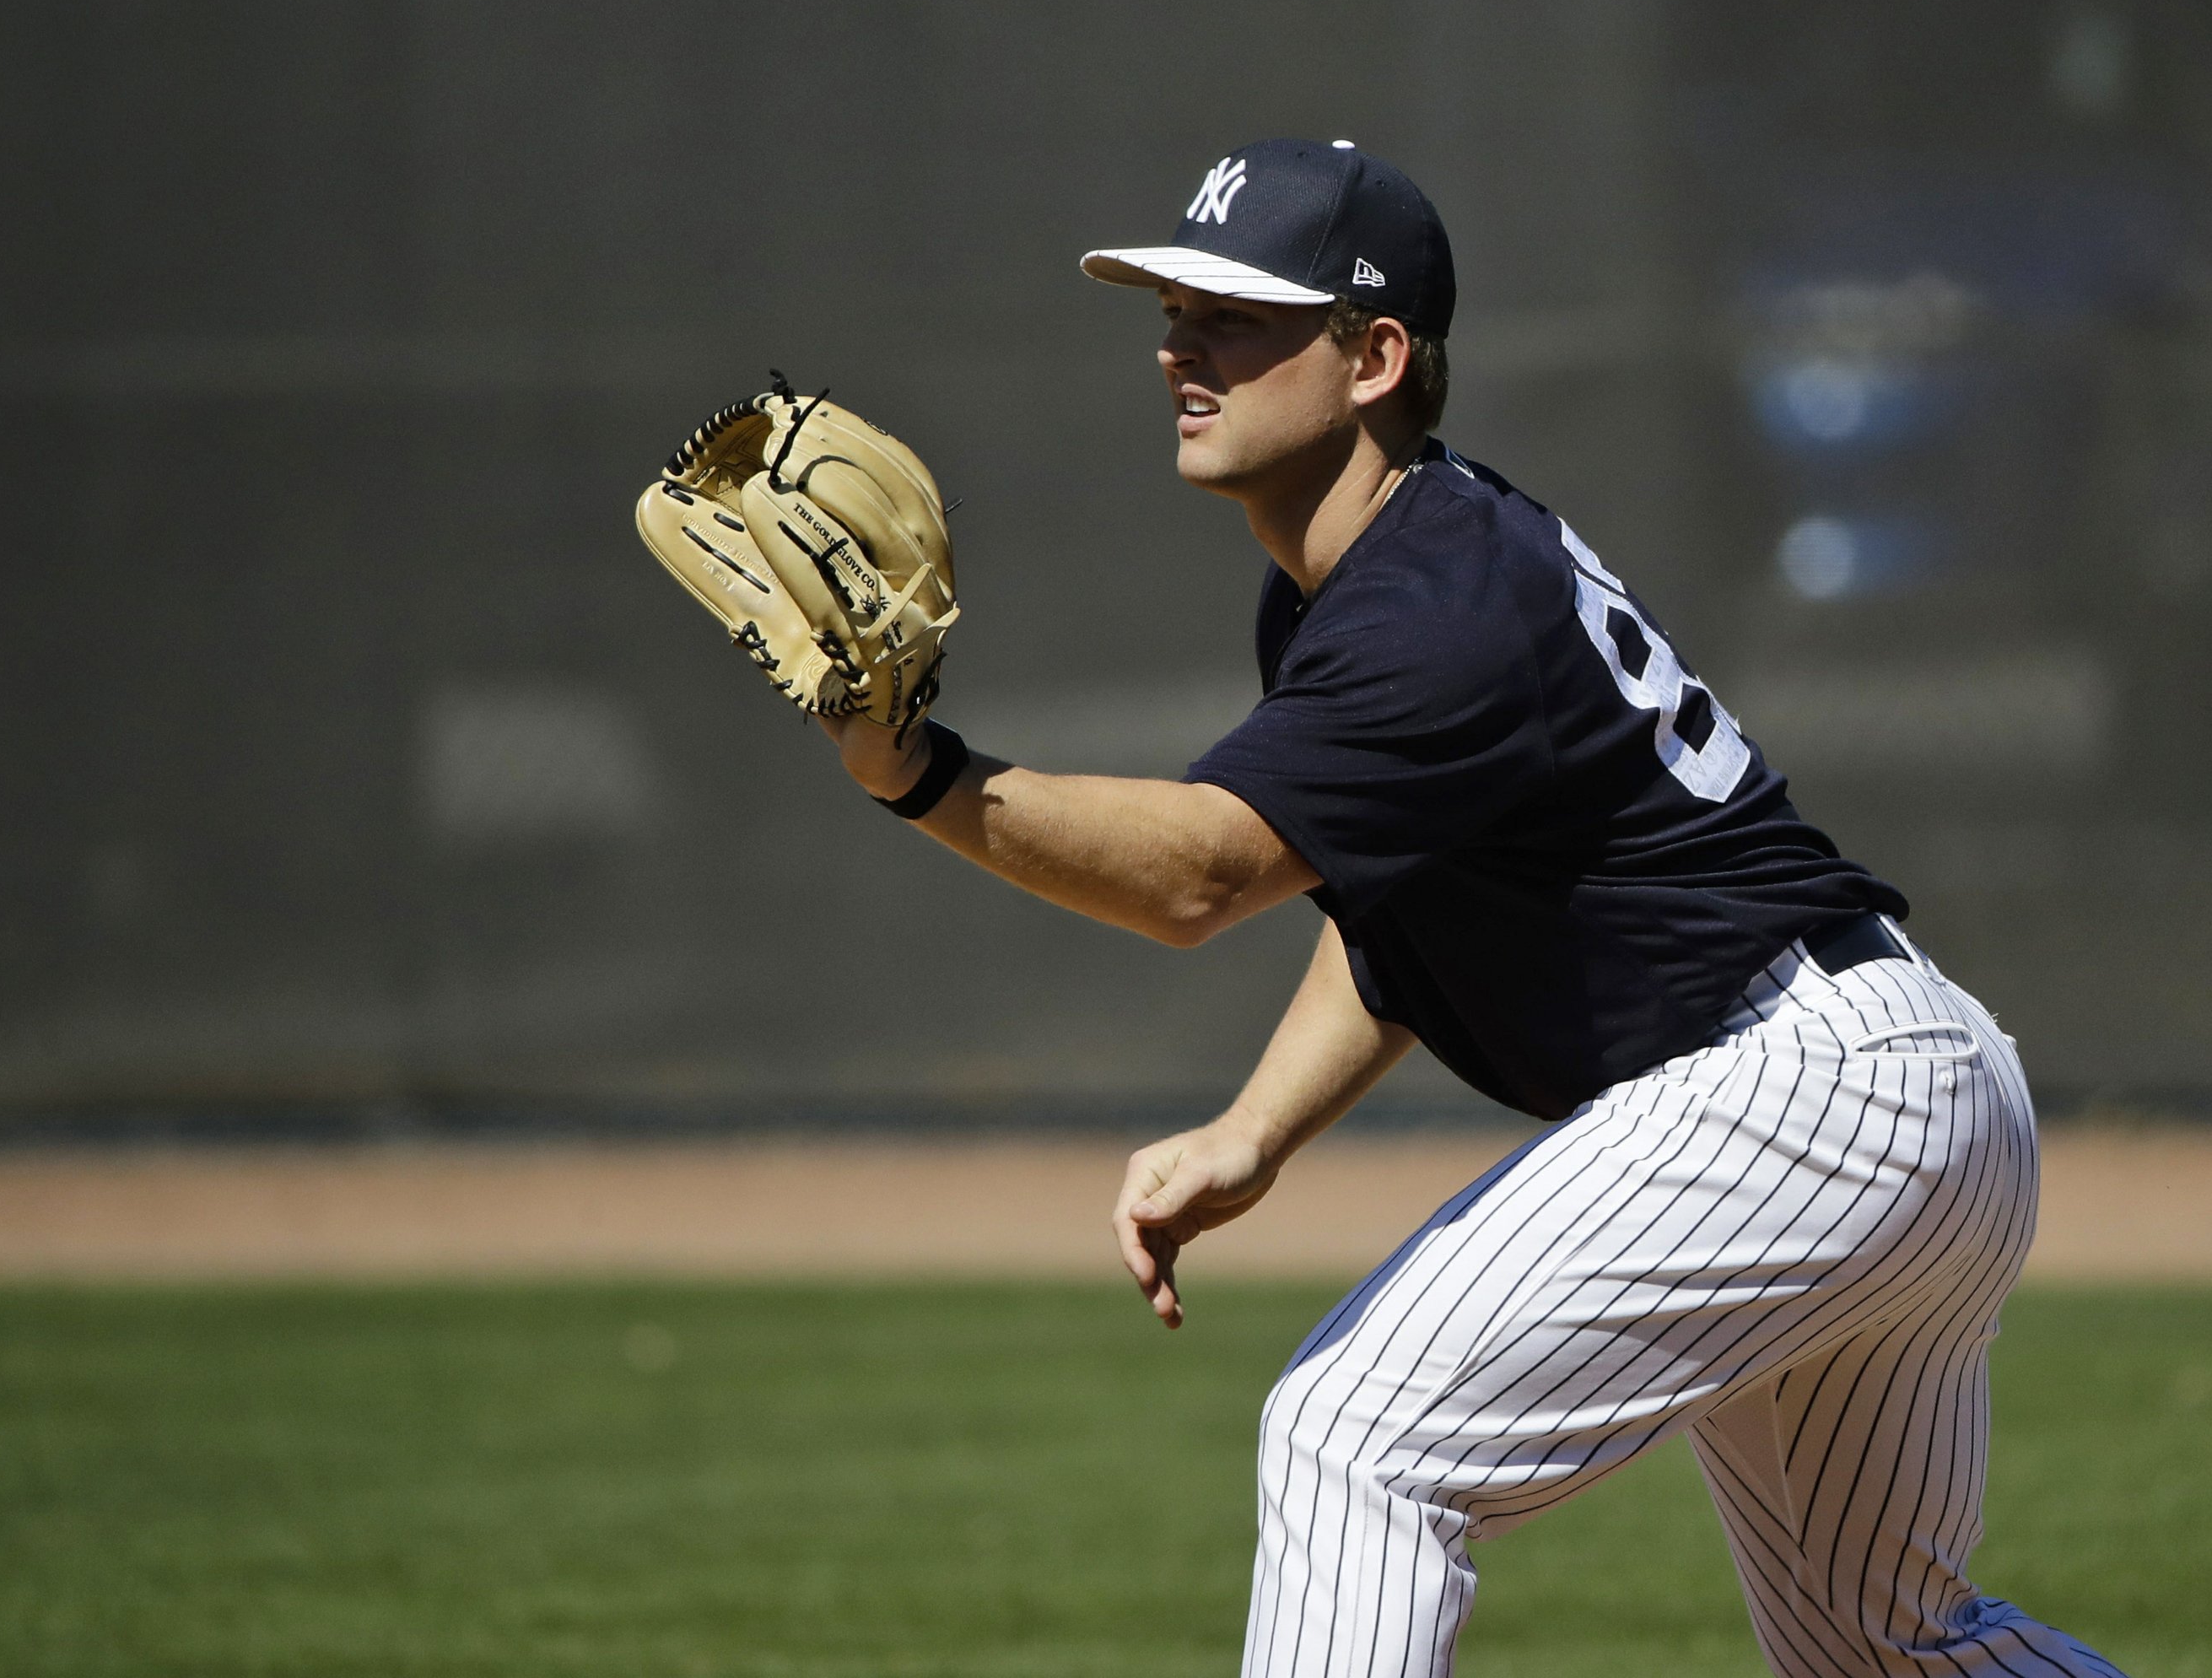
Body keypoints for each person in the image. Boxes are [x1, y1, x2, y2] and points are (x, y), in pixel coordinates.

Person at [818, 139, 2123, 1678]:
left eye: (1236, 316)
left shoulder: (1432, 601)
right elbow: (1395, 893)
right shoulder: (1393, 563)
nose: (1181, 345)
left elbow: (1197, 875)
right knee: (1880, 1645)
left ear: (1375, 358)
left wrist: (915, 772)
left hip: (1807, 1092)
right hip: (1910, 1085)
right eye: (1175, 311)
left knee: (1351, 1442)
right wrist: (1256, 1132)